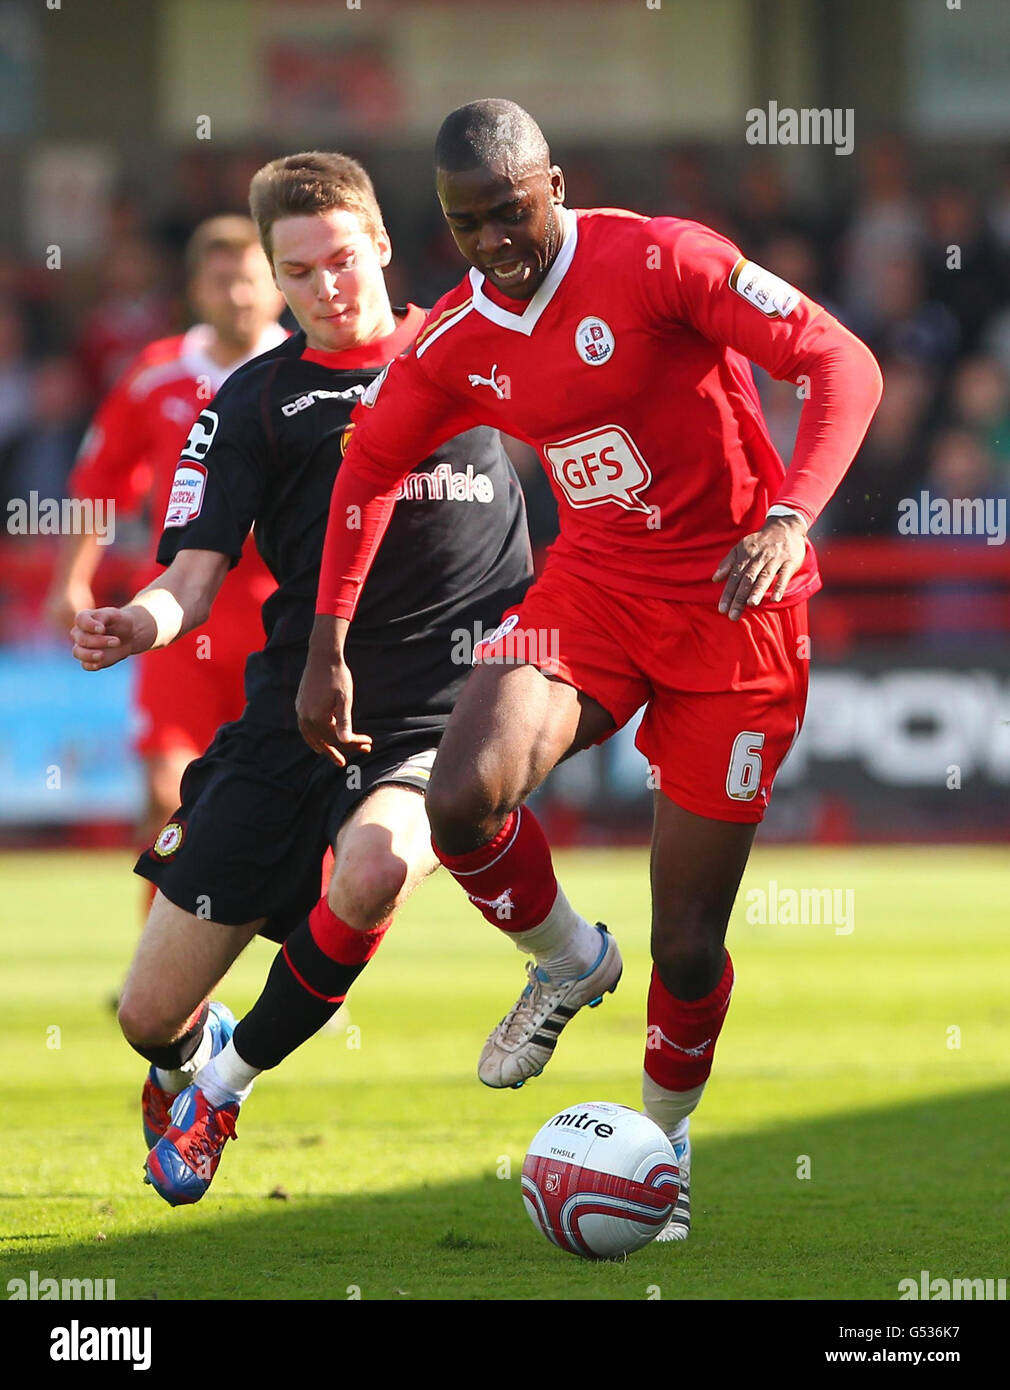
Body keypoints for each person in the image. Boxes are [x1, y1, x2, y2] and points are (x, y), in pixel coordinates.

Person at [298, 101, 884, 1242]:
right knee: (461, 797)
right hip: (597, 591)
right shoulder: (455, 338)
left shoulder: (661, 257)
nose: (497, 242)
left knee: (687, 940)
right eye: (469, 225)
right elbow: (365, 471)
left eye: (511, 212)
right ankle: (567, 962)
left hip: (736, 606)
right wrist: (325, 643)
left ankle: (662, 1149)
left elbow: (838, 362)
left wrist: (789, 515)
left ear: (552, 182)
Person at [69, 151, 531, 1206]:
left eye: (339, 260)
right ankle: (190, 1058)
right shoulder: (251, 402)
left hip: (440, 716)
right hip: (291, 718)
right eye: (298, 272)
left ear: (378, 243)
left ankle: (223, 1090)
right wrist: (134, 624)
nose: (326, 286)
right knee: (147, 1014)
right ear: (274, 282)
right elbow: (189, 574)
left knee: (370, 873)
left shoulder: (471, 345)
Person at [49, 217, 286, 849]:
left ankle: (293, 943)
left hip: (282, 616)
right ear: (196, 291)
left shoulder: (306, 371)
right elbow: (98, 481)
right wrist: (68, 580)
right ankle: (165, 938)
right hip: (175, 610)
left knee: (288, 801)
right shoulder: (156, 373)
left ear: (278, 288)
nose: (237, 295)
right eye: (222, 281)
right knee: (166, 792)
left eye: (249, 281)